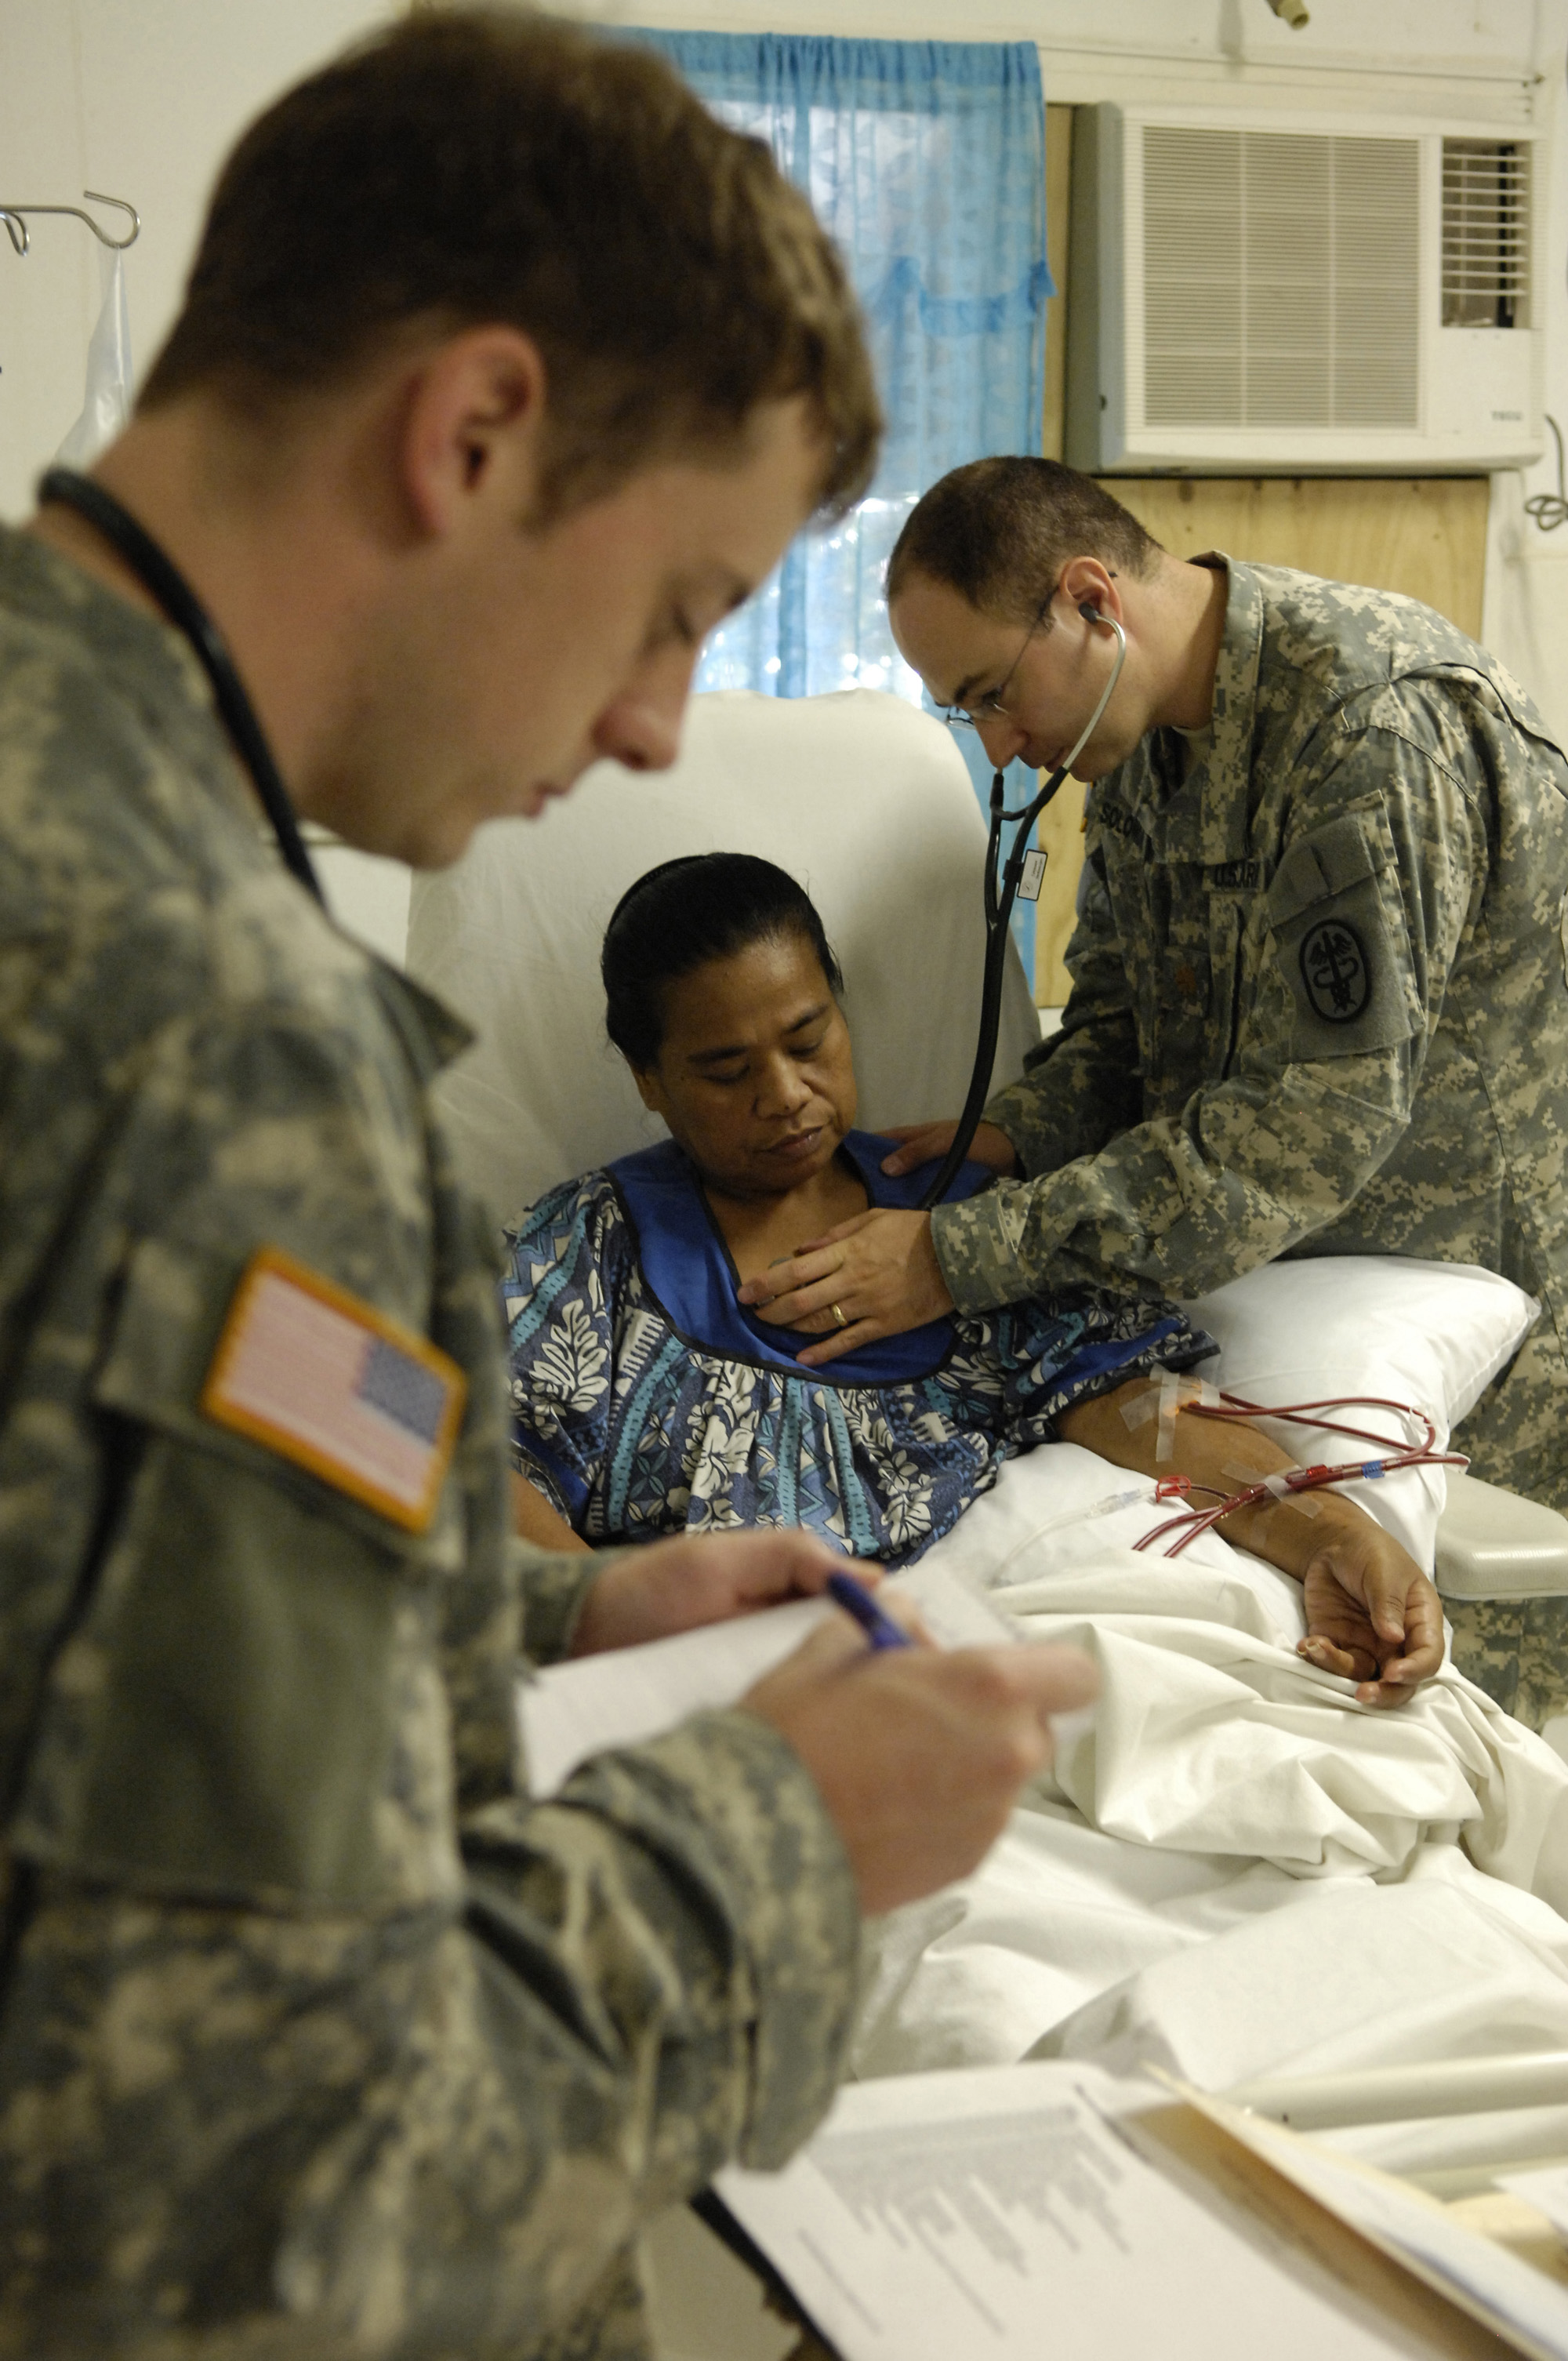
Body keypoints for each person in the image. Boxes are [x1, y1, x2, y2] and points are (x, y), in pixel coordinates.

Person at [0, 23, 1101, 2359]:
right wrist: (780, 1842)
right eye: (681, 603)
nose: (648, 728)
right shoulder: (224, 1041)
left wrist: (543, 1615)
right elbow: (260, 2214)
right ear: (474, 429)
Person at [739, 455, 1568, 1730]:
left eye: (994, 696)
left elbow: (1313, 1125)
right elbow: (1125, 1025)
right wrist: (1014, 1137)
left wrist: (963, 1253)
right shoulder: (1141, 743)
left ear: (1089, 601)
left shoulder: (1368, 730)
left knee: (1478, 1731)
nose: (1006, 749)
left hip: (1490, 1308)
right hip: (1273, 1283)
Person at [504, 852, 1443, 1705]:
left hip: (985, 1677)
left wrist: (1337, 1536)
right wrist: (641, 1654)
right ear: (648, 1079)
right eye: (724, 1070)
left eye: (807, 1039)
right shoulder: (590, 1250)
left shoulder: (967, 1225)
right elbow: (478, 1468)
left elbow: (1140, 1414)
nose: (784, 1093)